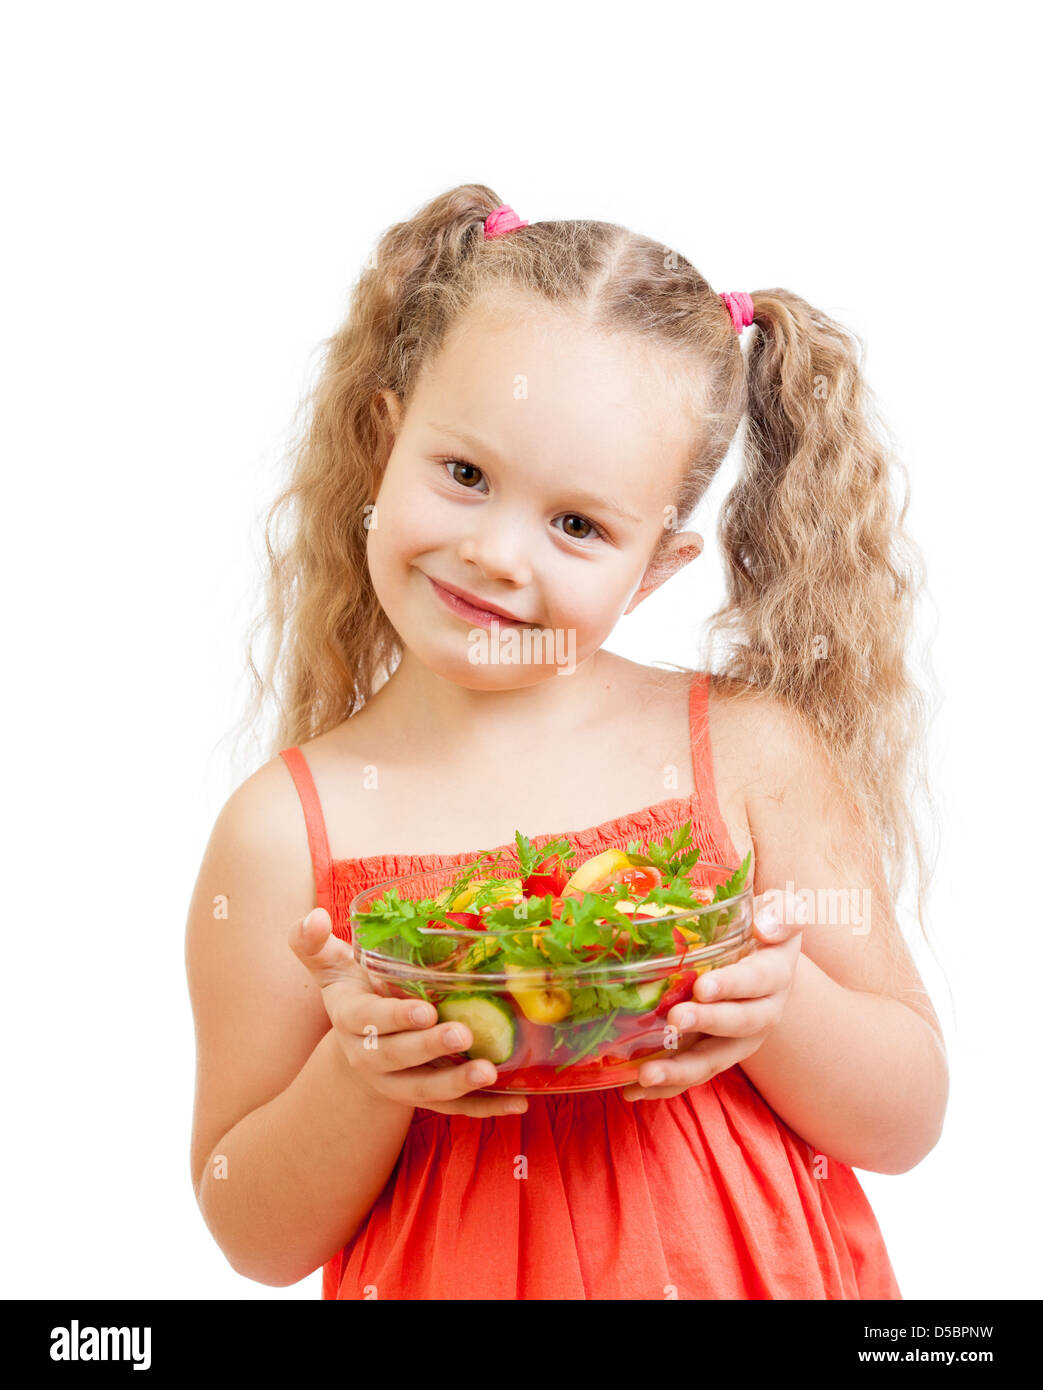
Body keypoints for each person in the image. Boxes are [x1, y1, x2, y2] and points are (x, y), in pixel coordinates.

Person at [185, 184, 948, 1299]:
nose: (497, 553)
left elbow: (906, 1116)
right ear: (384, 443)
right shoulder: (282, 830)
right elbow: (253, 1232)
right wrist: (361, 1071)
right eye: (463, 475)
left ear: (652, 570)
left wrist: (781, 1006)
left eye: (577, 524)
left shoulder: (746, 754)